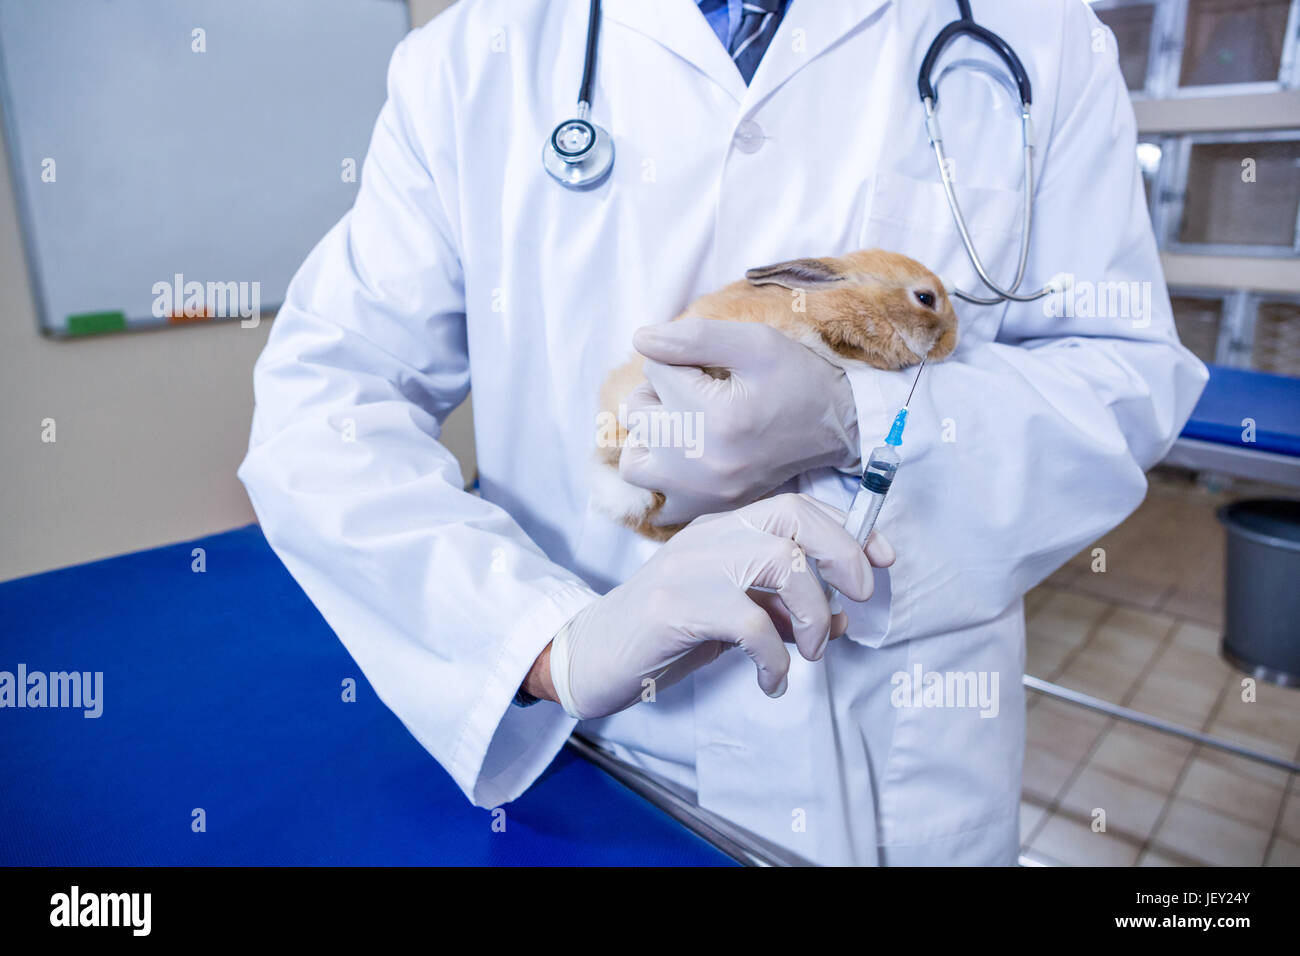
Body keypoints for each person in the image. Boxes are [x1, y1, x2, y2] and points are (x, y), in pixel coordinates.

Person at [238, 0, 1206, 866]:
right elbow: (323, 407)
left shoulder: (1035, 33)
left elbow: (1120, 377)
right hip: (603, 758)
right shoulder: (471, 58)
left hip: (902, 770)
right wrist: (545, 645)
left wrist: (854, 418)